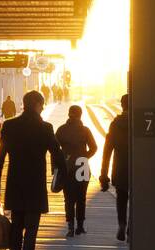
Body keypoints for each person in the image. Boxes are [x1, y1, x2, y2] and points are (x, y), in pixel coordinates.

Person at [0, 89, 62, 250]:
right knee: (31, 231)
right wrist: (60, 176)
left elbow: (0, 157)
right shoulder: (45, 128)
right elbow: (57, 153)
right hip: (35, 187)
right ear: (38, 105)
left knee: (16, 228)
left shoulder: (10, 126)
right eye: (42, 104)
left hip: (15, 184)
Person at [55, 104, 97, 237]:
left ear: (69, 114)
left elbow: (55, 150)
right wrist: (84, 157)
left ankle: (70, 227)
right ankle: (80, 226)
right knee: (81, 197)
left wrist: (57, 167)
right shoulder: (85, 130)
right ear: (80, 115)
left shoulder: (61, 130)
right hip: (82, 166)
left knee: (68, 198)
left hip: (66, 167)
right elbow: (94, 147)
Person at [100, 94, 130, 241]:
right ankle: (132, 227)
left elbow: (107, 151)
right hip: (138, 169)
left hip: (119, 169)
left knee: (121, 198)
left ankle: (122, 224)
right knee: (137, 200)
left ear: (122, 105)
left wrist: (103, 175)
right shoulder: (140, 122)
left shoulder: (115, 124)